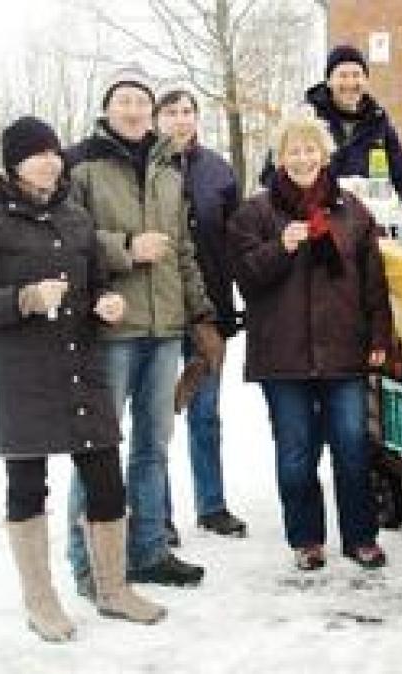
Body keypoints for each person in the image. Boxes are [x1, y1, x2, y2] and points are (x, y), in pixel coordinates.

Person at [0, 116, 166, 641]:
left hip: (82, 369)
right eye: (35, 153)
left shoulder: (74, 217)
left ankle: (113, 590)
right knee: (27, 488)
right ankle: (41, 603)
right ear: (13, 162)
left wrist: (104, 303)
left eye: (53, 151)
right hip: (22, 378)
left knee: (106, 481)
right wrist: (23, 299)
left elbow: (93, 284)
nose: (49, 160)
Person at [64, 65, 223, 592]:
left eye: (141, 100)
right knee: (98, 448)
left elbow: (183, 251)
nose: (133, 109)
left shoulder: (167, 167)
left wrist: (201, 315)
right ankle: (88, 562)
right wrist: (127, 249)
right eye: (123, 99)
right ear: (108, 107)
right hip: (112, 329)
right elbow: (71, 240)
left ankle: (148, 551)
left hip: (165, 329)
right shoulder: (82, 165)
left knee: (153, 446)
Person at [226, 108, 393, 571]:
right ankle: (306, 540)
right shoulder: (256, 213)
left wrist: (379, 334)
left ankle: (361, 537)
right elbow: (245, 277)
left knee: (352, 449)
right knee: (296, 455)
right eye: (292, 151)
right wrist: (281, 247)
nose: (302, 158)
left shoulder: (351, 211)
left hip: (343, 352)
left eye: (310, 149)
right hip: (283, 357)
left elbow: (373, 282)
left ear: (324, 154)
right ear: (279, 158)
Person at [154, 83, 248, 542]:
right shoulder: (146, 168)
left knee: (206, 413)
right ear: (157, 120)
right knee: (159, 415)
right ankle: (160, 514)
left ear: (197, 118)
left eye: (186, 111)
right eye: (169, 112)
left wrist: (231, 309)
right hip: (158, 312)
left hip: (208, 310)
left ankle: (212, 505)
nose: (178, 119)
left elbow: (235, 243)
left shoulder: (219, 171)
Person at [260, 45, 402, 200]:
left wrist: (400, 207)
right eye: (343, 75)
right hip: (312, 212)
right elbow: (271, 175)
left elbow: (400, 174)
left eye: (356, 75)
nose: (350, 82)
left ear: (365, 80)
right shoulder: (305, 117)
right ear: (329, 81)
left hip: (363, 214)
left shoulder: (378, 119)